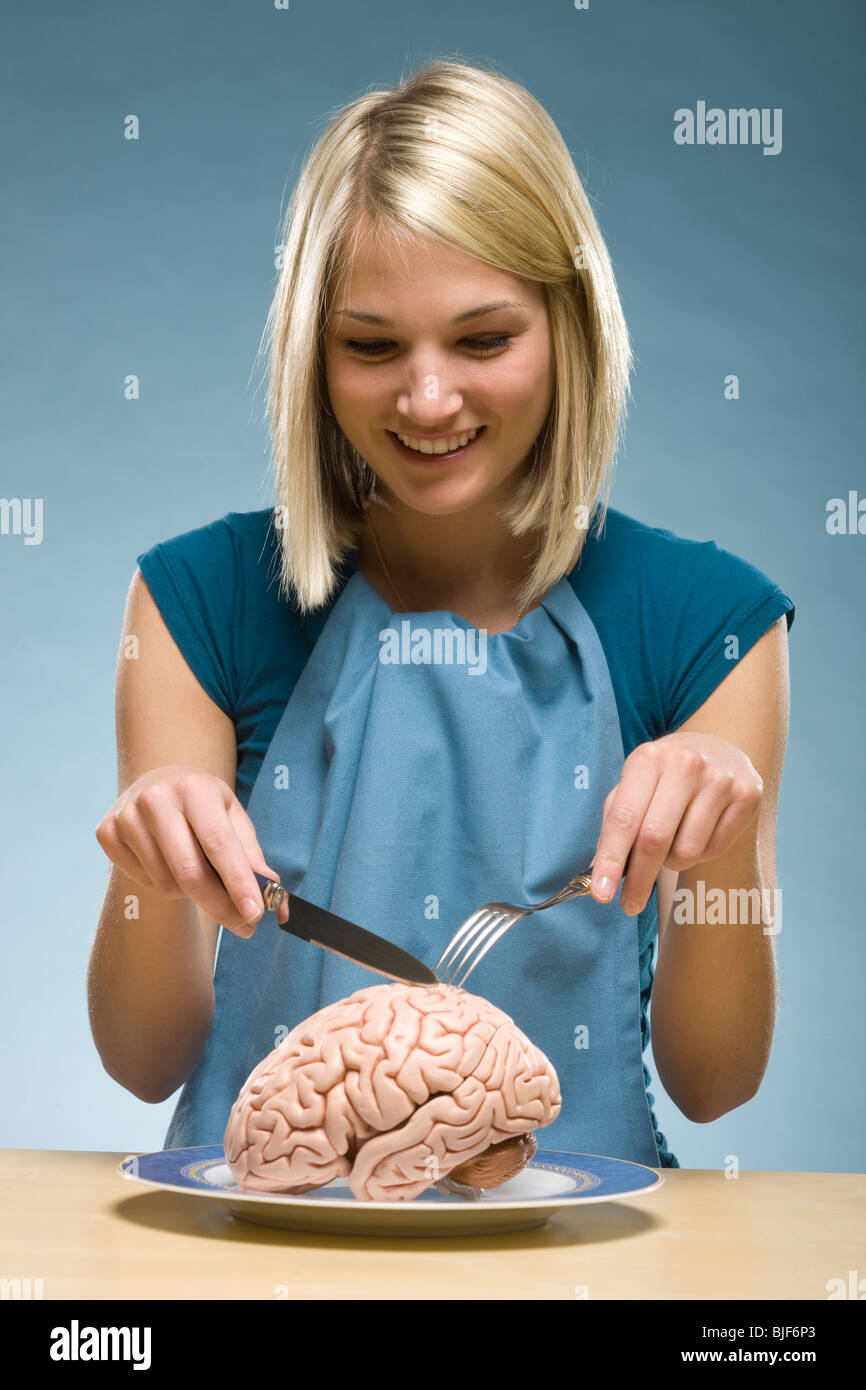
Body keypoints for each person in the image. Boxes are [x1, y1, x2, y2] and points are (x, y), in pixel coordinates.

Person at [88, 59, 794, 1171]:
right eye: (370, 345)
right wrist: (143, 871)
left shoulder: (705, 620)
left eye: (482, 339)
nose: (427, 400)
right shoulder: (198, 602)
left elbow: (714, 1083)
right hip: (257, 1242)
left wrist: (729, 841)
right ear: (310, 357)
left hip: (589, 1254)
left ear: (570, 328)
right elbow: (143, 1058)